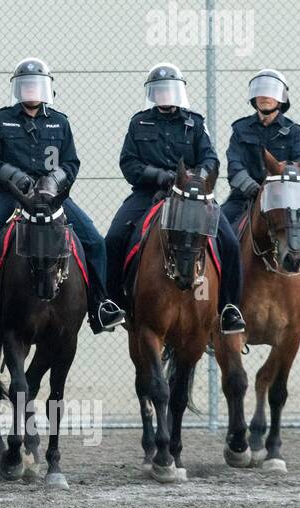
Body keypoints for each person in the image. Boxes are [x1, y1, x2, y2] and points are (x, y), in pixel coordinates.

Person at [0, 57, 126, 333]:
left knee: (94, 241)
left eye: (36, 86)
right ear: (18, 90)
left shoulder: (60, 122)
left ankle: (101, 305)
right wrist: (14, 176)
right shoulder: (1, 120)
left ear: (46, 89)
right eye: (26, 86)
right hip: (11, 196)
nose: (31, 91)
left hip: (53, 198)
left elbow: (71, 163)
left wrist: (55, 180)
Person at [104, 63, 246, 334]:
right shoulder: (139, 122)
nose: (164, 96)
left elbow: (211, 159)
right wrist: (159, 176)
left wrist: (196, 179)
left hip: (192, 196)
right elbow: (128, 163)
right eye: (159, 91)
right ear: (152, 95)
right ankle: (114, 303)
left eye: (169, 91)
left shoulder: (195, 123)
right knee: (113, 239)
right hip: (149, 194)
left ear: (179, 93)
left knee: (228, 240)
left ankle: (229, 308)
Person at [223, 69, 300, 330]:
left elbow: (299, 164)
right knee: (217, 236)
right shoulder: (240, 129)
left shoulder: (294, 132)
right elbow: (234, 167)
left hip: (283, 204)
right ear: (254, 99)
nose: (265, 98)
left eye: (270, 94)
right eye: (260, 93)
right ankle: (224, 306)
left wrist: (277, 187)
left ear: (280, 99)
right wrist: (253, 188)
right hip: (244, 199)